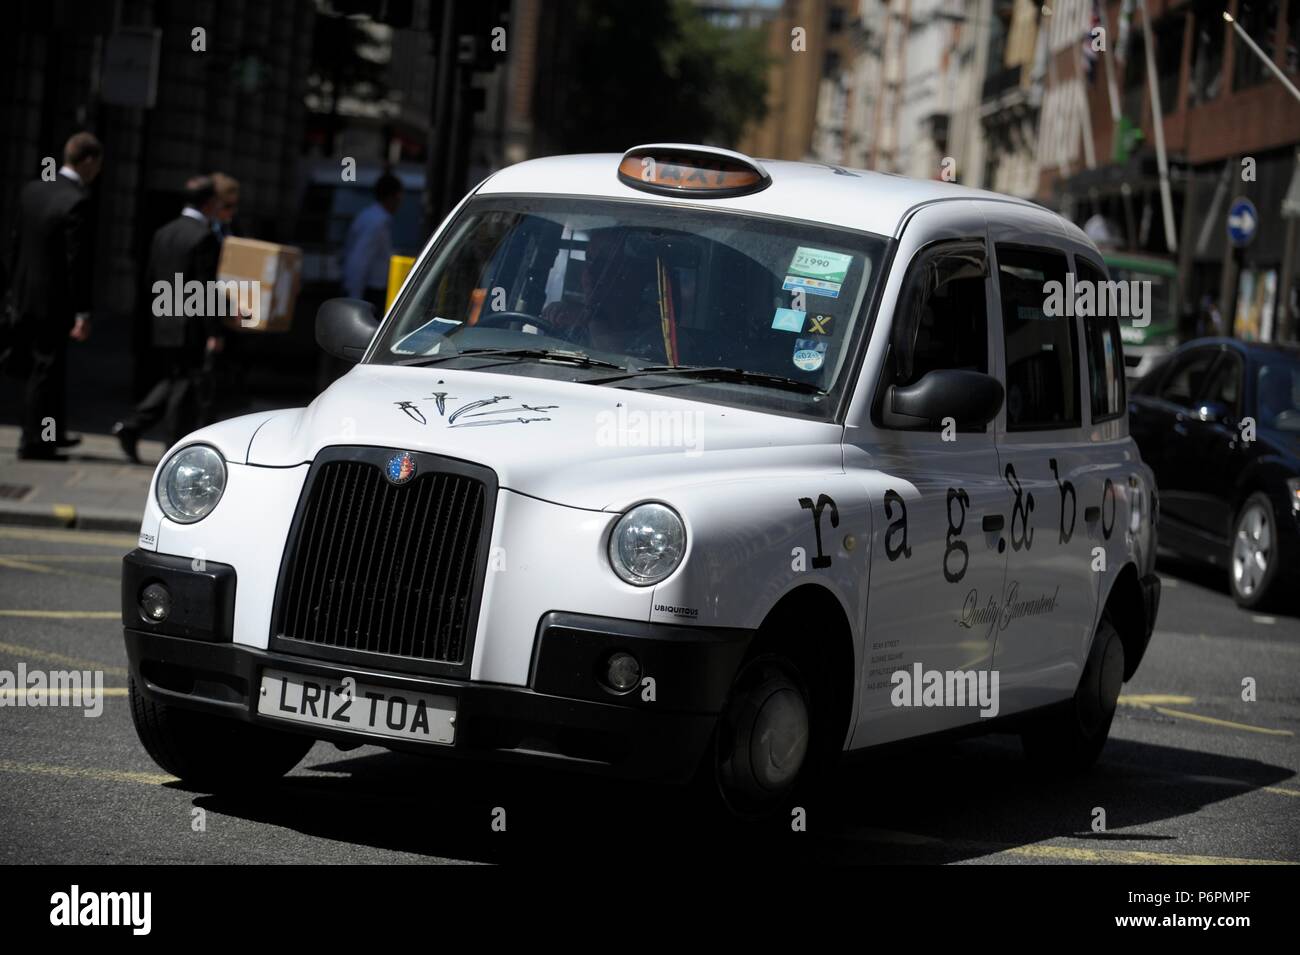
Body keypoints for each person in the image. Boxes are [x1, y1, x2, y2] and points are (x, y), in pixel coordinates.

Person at [112, 176, 224, 461]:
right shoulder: (204, 236)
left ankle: (132, 427)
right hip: (190, 324)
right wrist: (213, 330)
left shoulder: (163, 232)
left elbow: (149, 277)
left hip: (164, 317)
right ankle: (172, 449)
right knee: (183, 388)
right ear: (209, 203)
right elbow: (204, 288)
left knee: (176, 379)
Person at [7, 131, 102, 460]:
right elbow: (77, 263)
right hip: (54, 300)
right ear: (88, 161)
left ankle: (51, 432)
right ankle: (34, 441)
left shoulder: (33, 190)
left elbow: (16, 242)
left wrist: (12, 291)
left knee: (45, 370)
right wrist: (83, 312)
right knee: (45, 370)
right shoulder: (77, 200)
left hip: (24, 294)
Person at [341, 172, 401, 311]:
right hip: (369, 291)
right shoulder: (376, 222)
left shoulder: (369, 216)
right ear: (392, 197)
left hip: (366, 289)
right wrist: (354, 299)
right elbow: (360, 260)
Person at [210, 172, 240, 242]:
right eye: (228, 206)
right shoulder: (202, 229)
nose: (233, 210)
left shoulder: (233, 225)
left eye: (235, 205)